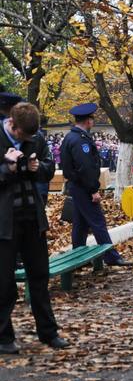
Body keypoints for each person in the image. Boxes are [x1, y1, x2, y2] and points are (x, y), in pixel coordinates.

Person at [0, 102, 68, 353]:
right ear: (12, 125)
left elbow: (49, 167)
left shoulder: (35, 138)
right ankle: (5, 338)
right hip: (5, 223)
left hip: (32, 218)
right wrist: (7, 168)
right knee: (4, 283)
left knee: (39, 276)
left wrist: (39, 168)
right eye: (25, 136)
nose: (30, 140)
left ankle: (49, 333)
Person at [59, 103, 133, 267]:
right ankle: (111, 257)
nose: (93, 121)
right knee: (98, 222)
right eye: (92, 118)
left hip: (77, 186)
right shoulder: (80, 140)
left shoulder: (71, 137)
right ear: (87, 121)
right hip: (84, 188)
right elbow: (85, 168)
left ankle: (78, 257)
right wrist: (93, 190)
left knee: (80, 224)